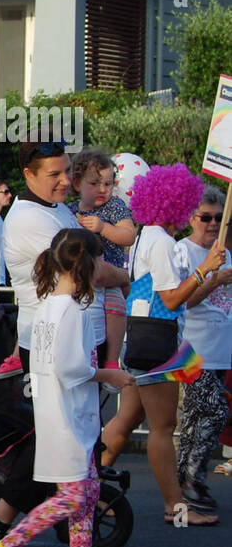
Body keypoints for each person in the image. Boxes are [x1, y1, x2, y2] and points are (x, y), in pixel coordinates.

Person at [0, 229, 136, 547]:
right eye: (99, 261)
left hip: (64, 416)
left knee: (87, 491)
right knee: (72, 496)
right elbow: (71, 369)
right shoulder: (74, 311)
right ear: (88, 264)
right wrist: (109, 375)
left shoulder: (50, 304)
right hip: (68, 420)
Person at [100, 165, 223, 526]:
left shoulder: (143, 236)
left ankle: (87, 481)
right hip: (160, 344)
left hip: (145, 340)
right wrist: (205, 272)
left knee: (127, 419)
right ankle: (176, 507)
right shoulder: (164, 243)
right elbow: (171, 299)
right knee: (163, 428)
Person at [173, 187, 232, 512]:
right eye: (206, 217)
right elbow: (183, 300)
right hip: (193, 350)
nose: (212, 224)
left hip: (222, 349)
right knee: (214, 412)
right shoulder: (183, 252)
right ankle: (190, 480)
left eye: (220, 218)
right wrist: (213, 278)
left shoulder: (226, 253)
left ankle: (189, 483)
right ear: (192, 219)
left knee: (200, 420)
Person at [68, 150, 136, 369]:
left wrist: (103, 227)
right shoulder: (69, 211)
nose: (103, 189)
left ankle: (112, 361)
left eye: (108, 184)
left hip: (112, 277)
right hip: (83, 282)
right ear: (77, 183)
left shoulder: (114, 206)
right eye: (95, 183)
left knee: (116, 309)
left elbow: (129, 236)